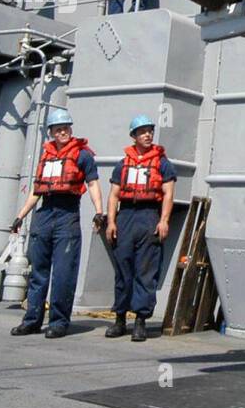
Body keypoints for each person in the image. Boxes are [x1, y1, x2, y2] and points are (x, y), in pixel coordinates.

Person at [9, 108, 106, 339]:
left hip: (67, 215)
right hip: (44, 215)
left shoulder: (83, 155)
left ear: (70, 129)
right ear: (51, 132)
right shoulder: (47, 155)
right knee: (38, 272)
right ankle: (31, 320)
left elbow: (92, 184)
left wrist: (99, 211)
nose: (63, 132)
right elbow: (36, 190)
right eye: (58, 129)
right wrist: (20, 215)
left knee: (64, 273)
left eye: (66, 128)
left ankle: (59, 322)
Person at [106, 114, 176, 342]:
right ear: (134, 136)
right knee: (123, 268)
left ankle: (140, 321)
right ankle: (119, 320)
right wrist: (111, 222)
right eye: (142, 131)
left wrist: (164, 220)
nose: (147, 134)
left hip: (149, 215)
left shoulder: (162, 163)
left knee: (146, 270)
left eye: (150, 131)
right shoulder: (123, 164)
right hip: (125, 215)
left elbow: (168, 194)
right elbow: (114, 194)